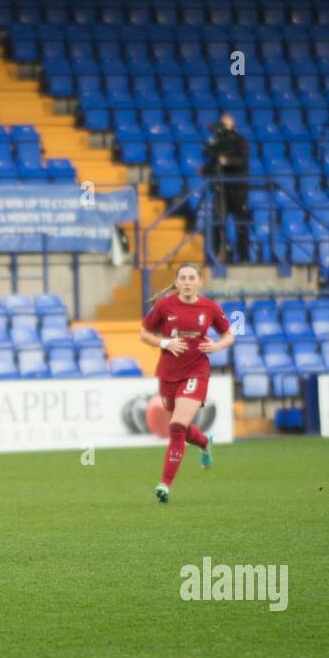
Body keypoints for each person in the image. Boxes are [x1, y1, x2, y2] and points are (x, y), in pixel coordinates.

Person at [138, 262, 234, 504]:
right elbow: (144, 333)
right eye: (183, 278)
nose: (188, 282)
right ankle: (204, 442)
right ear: (177, 282)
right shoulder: (164, 306)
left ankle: (164, 485)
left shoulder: (210, 307)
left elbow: (229, 335)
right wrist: (165, 343)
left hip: (196, 372)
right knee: (179, 426)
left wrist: (217, 346)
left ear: (200, 282)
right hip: (168, 374)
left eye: (192, 278)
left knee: (176, 426)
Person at [199, 113, 250, 264]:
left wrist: (228, 161)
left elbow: (243, 161)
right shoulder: (219, 142)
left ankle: (244, 257)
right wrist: (206, 169)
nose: (223, 126)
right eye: (221, 123)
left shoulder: (241, 141)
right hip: (222, 189)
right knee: (217, 222)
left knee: (241, 224)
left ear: (233, 125)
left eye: (225, 123)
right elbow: (215, 161)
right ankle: (217, 256)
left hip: (238, 189)